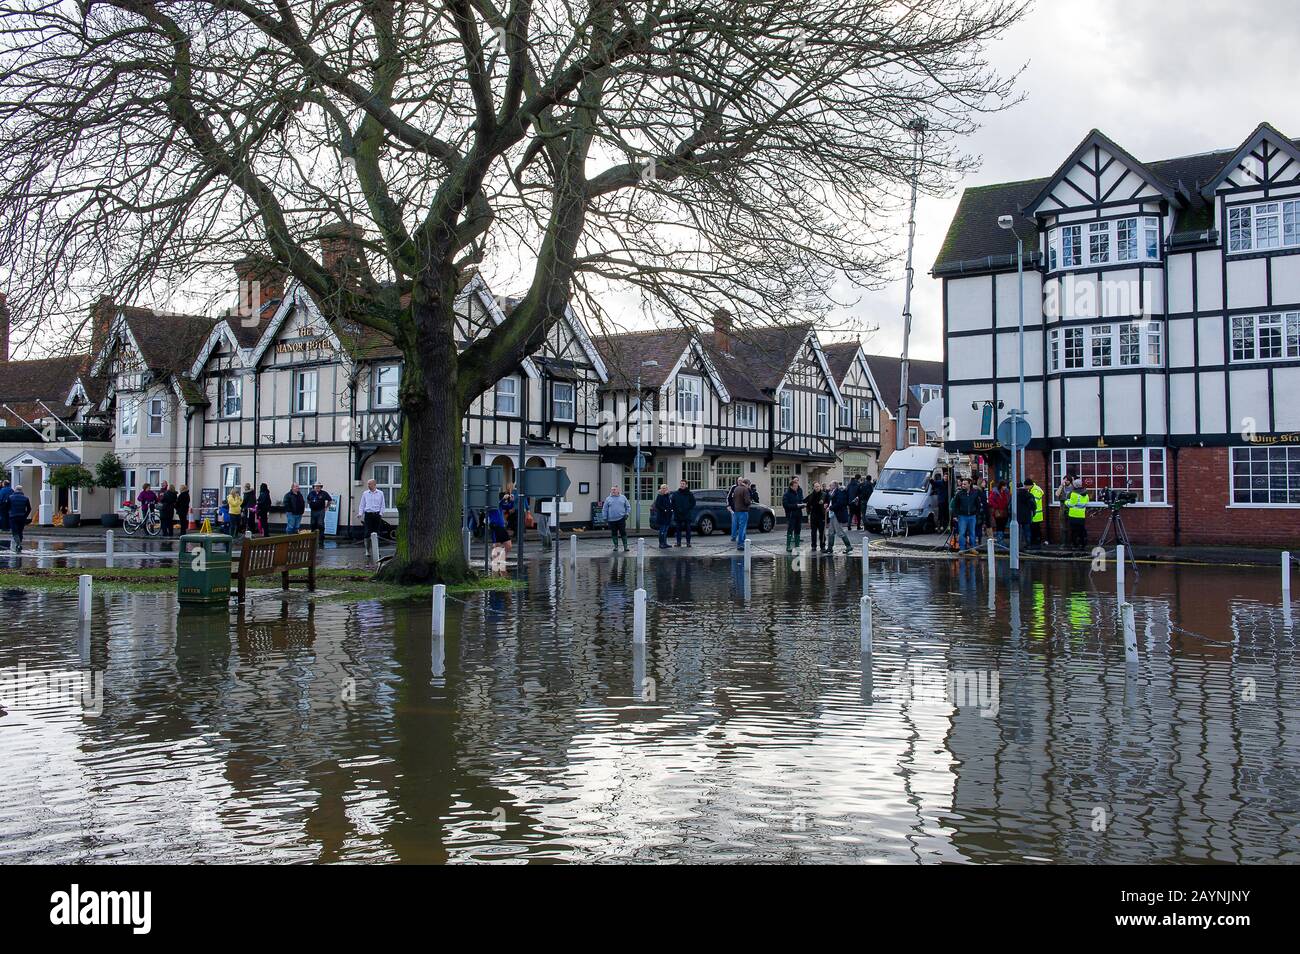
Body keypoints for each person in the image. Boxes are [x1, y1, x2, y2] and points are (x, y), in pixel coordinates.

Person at [950, 477, 982, 552]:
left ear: (969, 484)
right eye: (962, 484)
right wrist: (955, 516)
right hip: (962, 516)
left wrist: (976, 513)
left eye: (965, 484)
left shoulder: (975, 493)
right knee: (962, 533)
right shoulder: (959, 494)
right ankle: (962, 549)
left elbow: (978, 505)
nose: (963, 485)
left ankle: (972, 548)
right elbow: (955, 505)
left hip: (972, 515)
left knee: (972, 533)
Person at [827, 480, 853, 554]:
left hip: (838, 514)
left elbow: (840, 503)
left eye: (830, 485)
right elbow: (832, 502)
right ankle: (830, 548)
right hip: (833, 514)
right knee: (831, 531)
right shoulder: (832, 493)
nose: (829, 487)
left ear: (834, 486)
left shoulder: (839, 492)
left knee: (839, 531)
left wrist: (830, 508)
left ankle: (849, 546)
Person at [601, 486, 630, 551]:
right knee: (614, 533)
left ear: (618, 491)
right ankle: (616, 546)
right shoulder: (608, 499)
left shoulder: (623, 497)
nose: (613, 491)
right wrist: (604, 517)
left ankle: (625, 547)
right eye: (612, 490)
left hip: (621, 518)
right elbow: (604, 509)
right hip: (611, 520)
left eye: (614, 490)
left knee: (623, 532)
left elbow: (628, 506)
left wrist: (627, 514)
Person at [358, 478, 387, 543]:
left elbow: (382, 504)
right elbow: (362, 504)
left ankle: (375, 550)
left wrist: (381, 513)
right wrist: (360, 513)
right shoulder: (365, 493)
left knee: (376, 532)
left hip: (377, 514)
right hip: (368, 514)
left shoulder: (380, 493)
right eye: (368, 484)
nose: (368, 485)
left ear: (374, 484)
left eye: (370, 484)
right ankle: (367, 550)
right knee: (367, 532)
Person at [782, 476, 805, 552]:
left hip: (798, 513)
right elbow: (785, 505)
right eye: (795, 486)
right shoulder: (787, 494)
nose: (796, 487)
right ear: (791, 486)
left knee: (798, 529)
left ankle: (797, 545)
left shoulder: (798, 492)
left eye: (797, 486)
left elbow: (801, 500)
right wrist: (796, 506)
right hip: (791, 514)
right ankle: (788, 546)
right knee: (790, 529)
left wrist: (802, 505)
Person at [670, 479, 696, 547]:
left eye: (683, 484)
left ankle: (688, 543)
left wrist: (688, 509)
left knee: (688, 529)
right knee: (678, 529)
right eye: (681, 483)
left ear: (686, 485)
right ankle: (678, 543)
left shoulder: (689, 493)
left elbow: (693, 503)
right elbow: (672, 503)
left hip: (687, 514)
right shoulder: (676, 493)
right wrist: (675, 509)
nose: (682, 485)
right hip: (678, 514)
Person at [1066, 479, 1090, 548]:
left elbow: (1070, 504)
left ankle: (1075, 545)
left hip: (1073, 515)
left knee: (1074, 532)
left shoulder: (1074, 494)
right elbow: (1087, 502)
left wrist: (1066, 501)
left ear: (1075, 485)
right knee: (1081, 531)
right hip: (1081, 516)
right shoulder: (1085, 493)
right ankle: (1083, 545)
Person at [805, 480, 827, 554]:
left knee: (822, 532)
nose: (817, 488)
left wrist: (826, 505)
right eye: (815, 487)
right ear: (813, 488)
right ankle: (813, 545)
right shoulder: (811, 495)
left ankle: (822, 545)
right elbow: (807, 504)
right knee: (813, 532)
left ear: (820, 487)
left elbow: (828, 501)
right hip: (813, 516)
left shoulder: (824, 494)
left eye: (818, 486)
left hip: (821, 516)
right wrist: (808, 514)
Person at [7, 484, 31, 553]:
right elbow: (29, 508)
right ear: (21, 490)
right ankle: (18, 545)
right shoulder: (26, 498)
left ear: (15, 490)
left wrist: (9, 513)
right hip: (22, 517)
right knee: (20, 532)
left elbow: (7, 507)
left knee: (15, 532)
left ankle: (18, 544)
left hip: (13, 517)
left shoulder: (10, 497)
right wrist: (25, 516)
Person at [307, 482, 332, 547]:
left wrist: (326, 507)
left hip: (321, 510)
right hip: (313, 511)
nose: (317, 487)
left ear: (321, 487)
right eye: (315, 486)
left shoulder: (324, 493)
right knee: (313, 524)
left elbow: (330, 500)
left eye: (318, 486)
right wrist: (311, 504)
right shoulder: (311, 493)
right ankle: (313, 540)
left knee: (320, 524)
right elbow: (308, 499)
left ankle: (321, 541)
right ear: (314, 487)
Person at [988, 480, 1010, 544]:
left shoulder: (1006, 492)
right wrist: (996, 506)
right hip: (998, 511)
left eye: (1005, 486)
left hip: (1005, 511)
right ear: (1001, 486)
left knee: (1003, 525)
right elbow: (991, 501)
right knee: (999, 525)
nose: (1005, 487)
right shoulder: (995, 492)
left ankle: (1001, 539)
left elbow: (1008, 500)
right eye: (1004, 486)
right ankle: (1000, 540)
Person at [652, 483, 674, 549]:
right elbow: (657, 505)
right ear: (661, 489)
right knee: (662, 530)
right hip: (662, 516)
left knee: (666, 530)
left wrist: (671, 509)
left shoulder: (668, 496)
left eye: (666, 488)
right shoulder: (660, 496)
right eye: (663, 488)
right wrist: (664, 510)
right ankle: (661, 543)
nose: (665, 489)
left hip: (668, 516)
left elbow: (670, 504)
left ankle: (665, 543)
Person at [1026, 477, 1045, 547]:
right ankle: (1035, 542)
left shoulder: (1036, 491)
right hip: (1033, 514)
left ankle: (1037, 543)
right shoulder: (1031, 490)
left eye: (1026, 486)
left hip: (1036, 514)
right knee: (1034, 529)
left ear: (1029, 485)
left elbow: (1034, 502)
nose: (1025, 487)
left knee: (1036, 529)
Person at [726, 475, 746, 543]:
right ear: (737, 481)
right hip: (734, 510)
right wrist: (728, 505)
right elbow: (728, 497)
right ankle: (733, 537)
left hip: (742, 510)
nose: (740, 482)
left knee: (742, 525)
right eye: (739, 480)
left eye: (741, 480)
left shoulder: (744, 488)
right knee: (734, 524)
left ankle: (742, 538)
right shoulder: (733, 487)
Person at [1015, 480, 1035, 547]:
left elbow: (1010, 505)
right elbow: (1033, 505)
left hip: (1017, 515)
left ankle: (1016, 544)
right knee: (1027, 531)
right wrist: (1033, 511)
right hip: (1027, 515)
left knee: (1017, 531)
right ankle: (1028, 544)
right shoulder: (1029, 495)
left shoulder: (1015, 495)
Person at [0, 478, 12, 551]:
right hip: (10, 505)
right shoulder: (11, 490)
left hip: (3, 504)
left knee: (3, 516)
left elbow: (0, 498)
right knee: (8, 516)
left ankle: (4, 527)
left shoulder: (2, 490)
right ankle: (8, 527)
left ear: (4, 484)